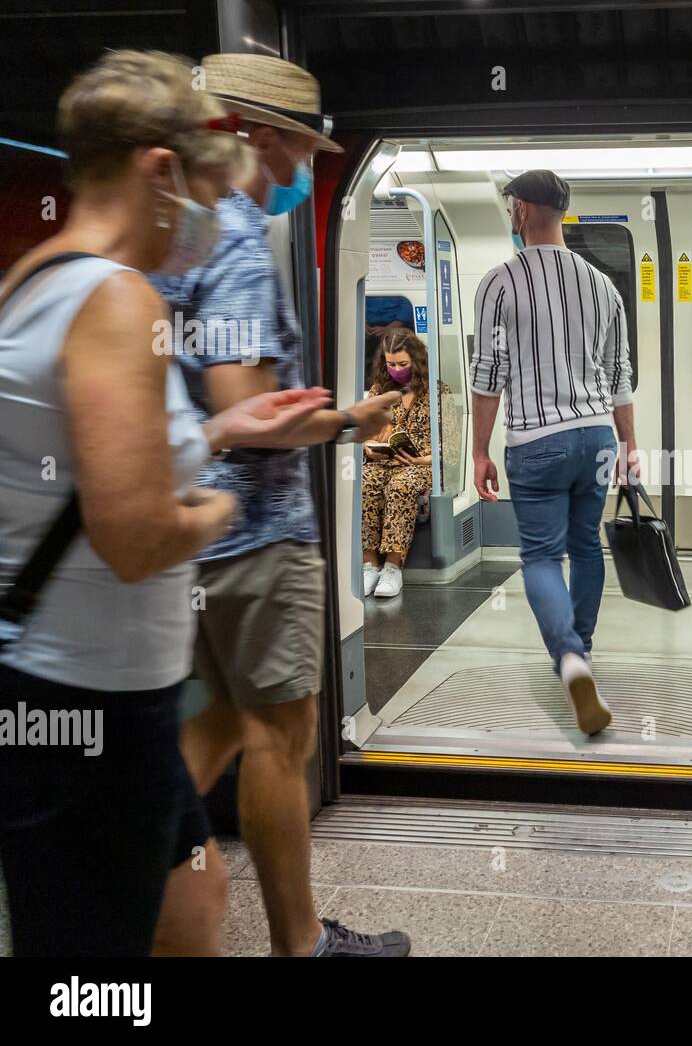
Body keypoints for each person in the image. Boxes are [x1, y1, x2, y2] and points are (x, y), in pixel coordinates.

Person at [0, 50, 333, 957]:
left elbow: (95, 460)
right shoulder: (114, 300)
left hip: (104, 690)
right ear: (158, 172)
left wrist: (221, 434)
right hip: (87, 704)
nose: (208, 220)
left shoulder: (33, 279)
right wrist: (220, 512)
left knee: (192, 899)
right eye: (201, 189)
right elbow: (139, 538)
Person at [148, 52, 409, 958]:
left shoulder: (175, 236)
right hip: (255, 532)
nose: (304, 175)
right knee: (283, 731)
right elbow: (244, 411)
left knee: (222, 717)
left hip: (199, 527)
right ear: (259, 139)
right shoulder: (232, 242)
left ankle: (133, 871)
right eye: (300, 153)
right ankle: (301, 944)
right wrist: (349, 419)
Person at [469, 170, 638, 736]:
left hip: (535, 440)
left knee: (542, 557)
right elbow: (619, 375)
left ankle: (567, 657)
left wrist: (478, 451)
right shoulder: (603, 285)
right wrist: (629, 444)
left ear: (519, 211)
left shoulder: (499, 283)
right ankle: (581, 654)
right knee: (586, 547)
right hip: (594, 435)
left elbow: (489, 374)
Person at [361, 327, 461, 597]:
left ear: (416, 361)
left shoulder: (438, 393)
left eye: (402, 364)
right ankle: (369, 564)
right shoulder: (378, 392)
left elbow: (450, 448)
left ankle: (393, 566)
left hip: (423, 465)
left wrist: (420, 459)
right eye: (390, 364)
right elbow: (366, 436)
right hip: (385, 461)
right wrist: (370, 448)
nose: (396, 370)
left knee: (400, 486)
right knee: (365, 482)